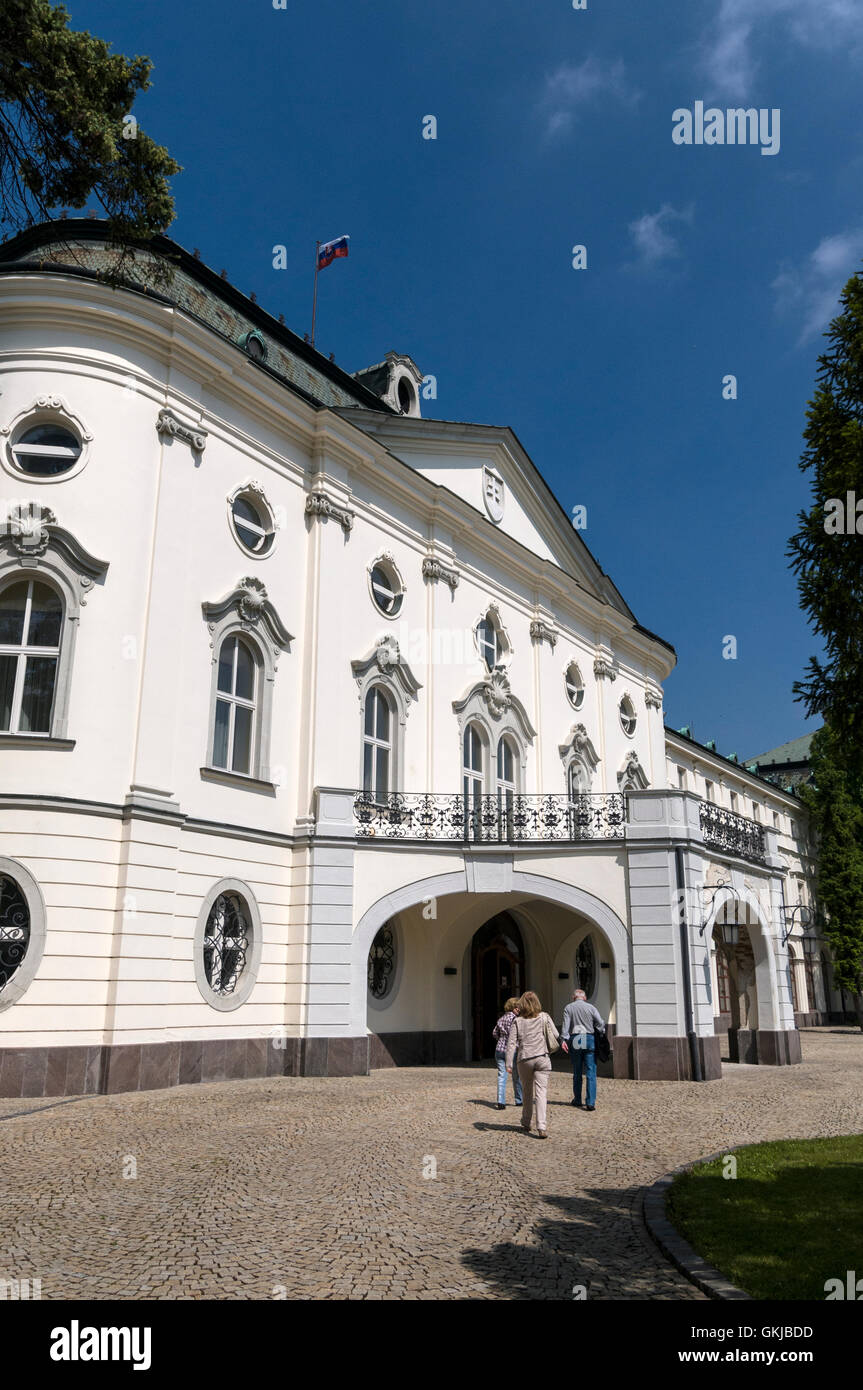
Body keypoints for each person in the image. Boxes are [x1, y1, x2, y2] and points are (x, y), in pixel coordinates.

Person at [505, 990, 559, 1138]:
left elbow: (511, 1044)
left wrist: (508, 1064)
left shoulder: (518, 1021)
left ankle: (526, 1121)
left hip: (525, 1059)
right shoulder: (544, 1017)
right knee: (541, 1093)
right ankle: (541, 1126)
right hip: (542, 1057)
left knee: (527, 1091)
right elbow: (556, 1034)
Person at [560, 988, 605, 1111]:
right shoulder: (591, 1007)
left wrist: (563, 1039)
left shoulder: (568, 1008)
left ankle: (577, 1099)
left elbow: (565, 1026)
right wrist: (601, 1031)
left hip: (576, 1038)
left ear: (573, 998)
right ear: (584, 998)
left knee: (577, 1071)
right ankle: (590, 1102)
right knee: (591, 1071)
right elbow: (600, 1022)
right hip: (589, 1037)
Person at [492, 997, 522, 1109]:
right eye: (517, 1007)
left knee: (501, 1076)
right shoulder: (515, 1019)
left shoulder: (501, 1018)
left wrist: (501, 1039)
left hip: (499, 1050)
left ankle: (501, 1101)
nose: (519, 1009)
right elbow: (517, 1035)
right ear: (512, 1007)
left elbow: (494, 1033)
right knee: (516, 1076)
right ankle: (519, 1100)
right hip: (512, 1051)